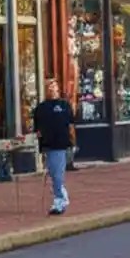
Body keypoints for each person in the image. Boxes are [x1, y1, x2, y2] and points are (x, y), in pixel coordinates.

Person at [33, 79, 75, 216]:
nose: (51, 89)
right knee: (53, 173)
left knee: (57, 174)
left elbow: (71, 125)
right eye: (48, 87)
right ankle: (60, 198)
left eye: (54, 86)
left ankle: (60, 199)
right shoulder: (41, 108)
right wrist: (40, 146)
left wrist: (73, 142)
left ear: (58, 88)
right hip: (48, 145)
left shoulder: (64, 105)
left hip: (60, 145)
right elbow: (37, 130)